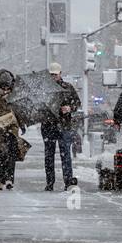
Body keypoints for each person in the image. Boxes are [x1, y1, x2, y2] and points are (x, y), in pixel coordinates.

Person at [40, 62, 82, 191]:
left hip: (64, 126)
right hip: (48, 126)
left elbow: (77, 103)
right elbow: (39, 108)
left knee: (65, 155)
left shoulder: (68, 88)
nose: (53, 77)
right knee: (49, 156)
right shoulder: (44, 90)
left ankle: (68, 181)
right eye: (51, 75)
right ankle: (50, 182)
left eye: (55, 74)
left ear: (60, 74)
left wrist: (70, 108)